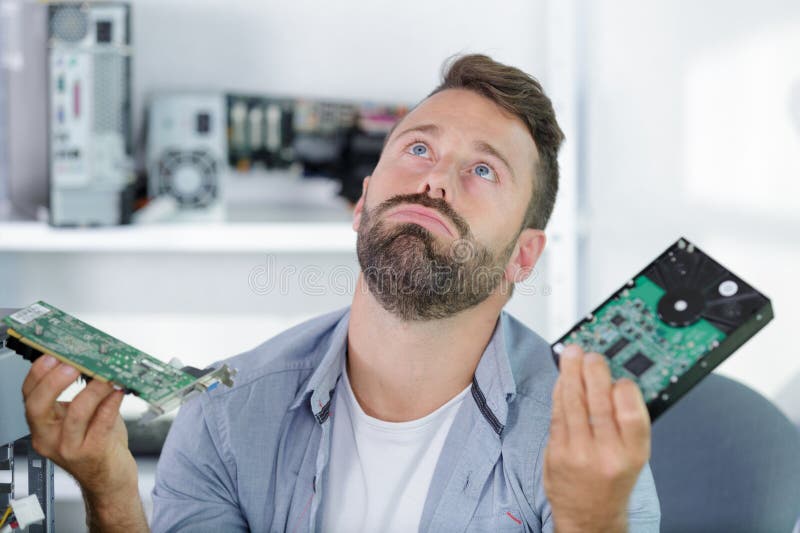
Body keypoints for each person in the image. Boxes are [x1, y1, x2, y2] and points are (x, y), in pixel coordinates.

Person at [21, 54, 660, 532]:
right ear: (362, 204)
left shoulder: (581, 449)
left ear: (523, 256)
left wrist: (591, 520)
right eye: (418, 148)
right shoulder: (224, 418)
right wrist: (110, 491)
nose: (436, 178)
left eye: (483, 169)